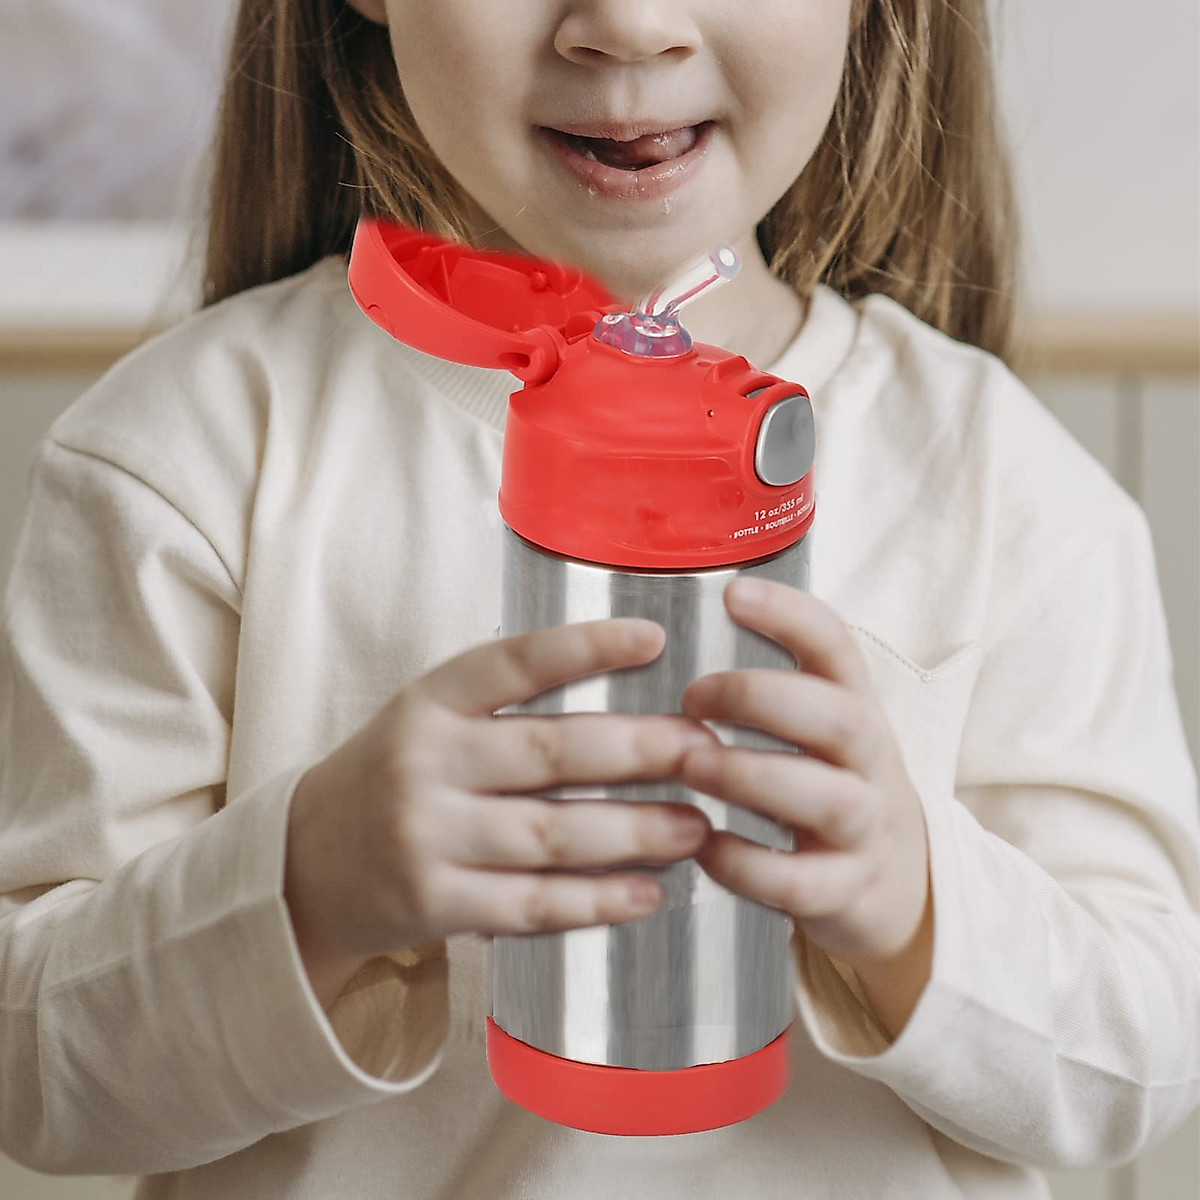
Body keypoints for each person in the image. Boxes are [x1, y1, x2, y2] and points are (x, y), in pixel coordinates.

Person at [1, 1, 1197, 1197]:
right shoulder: (181, 459)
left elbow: (1147, 1056)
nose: (628, 25)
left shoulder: (1004, 482)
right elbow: (33, 1075)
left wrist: (921, 907)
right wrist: (308, 887)